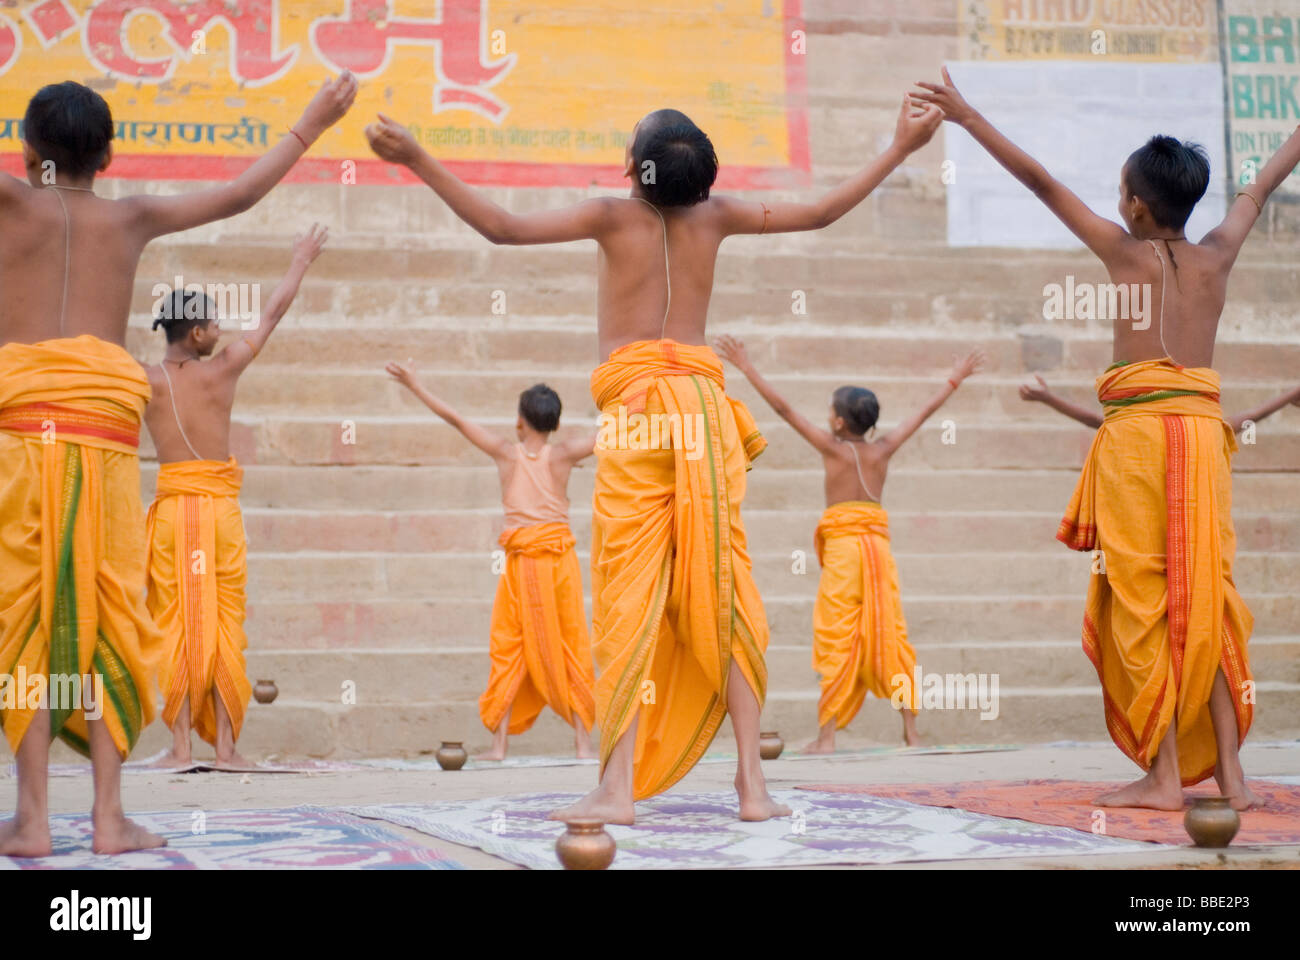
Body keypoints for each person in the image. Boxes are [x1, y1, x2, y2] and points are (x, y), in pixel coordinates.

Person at [365, 96, 943, 822]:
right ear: (700, 179)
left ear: (634, 171)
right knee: (723, 591)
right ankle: (752, 788)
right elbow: (824, 212)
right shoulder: (719, 215)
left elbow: (502, 227)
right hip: (705, 414)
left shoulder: (611, 215)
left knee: (629, 598)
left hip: (642, 421)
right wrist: (899, 148)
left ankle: (617, 788)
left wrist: (415, 156)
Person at [914, 68, 1300, 809]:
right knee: (1207, 598)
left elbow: (1039, 181)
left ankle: (1161, 777)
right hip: (1202, 440)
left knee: (1142, 600)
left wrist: (965, 114)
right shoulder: (1221, 251)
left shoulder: (1120, 252)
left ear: (1132, 202)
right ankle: (1233, 775)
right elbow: (1269, 176)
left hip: (1139, 446)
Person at [0, 74, 354, 856]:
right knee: (107, 620)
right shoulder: (131, 217)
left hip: (29, 438)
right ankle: (107, 817)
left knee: (27, 620)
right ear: (111, 155)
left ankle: (29, 818)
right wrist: (313, 121)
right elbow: (239, 196)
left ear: (26, 151)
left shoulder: (11, 200)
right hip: (104, 441)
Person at [717, 335, 984, 753]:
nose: (826, 416)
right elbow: (923, 413)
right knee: (890, 631)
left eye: (830, 411)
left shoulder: (831, 449)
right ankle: (912, 734)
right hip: (877, 554)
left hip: (845, 555)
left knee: (837, 635)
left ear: (840, 422)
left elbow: (784, 410)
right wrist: (955, 378)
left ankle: (827, 737)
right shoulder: (884, 449)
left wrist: (745, 366)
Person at [144, 225, 328, 770]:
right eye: (214, 324)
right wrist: (299, 259)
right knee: (224, 620)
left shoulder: (143, 380)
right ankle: (224, 748)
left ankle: (179, 747)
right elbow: (271, 314)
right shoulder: (225, 369)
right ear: (197, 332)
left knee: (174, 622)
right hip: (219, 514)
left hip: (175, 514)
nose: (222, 331)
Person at [385, 365, 597, 761]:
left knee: (509, 646)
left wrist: (416, 384)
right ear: (554, 422)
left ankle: (499, 747)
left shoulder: (505, 453)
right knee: (571, 643)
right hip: (558, 566)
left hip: (519, 568)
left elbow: (456, 419)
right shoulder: (565, 455)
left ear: (520, 421)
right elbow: (613, 435)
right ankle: (583, 745)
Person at [1020, 374, 1300, 436]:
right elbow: (1252, 416)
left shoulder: (1195, 430)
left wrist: (1048, 398)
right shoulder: (1194, 430)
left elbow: (1096, 421)